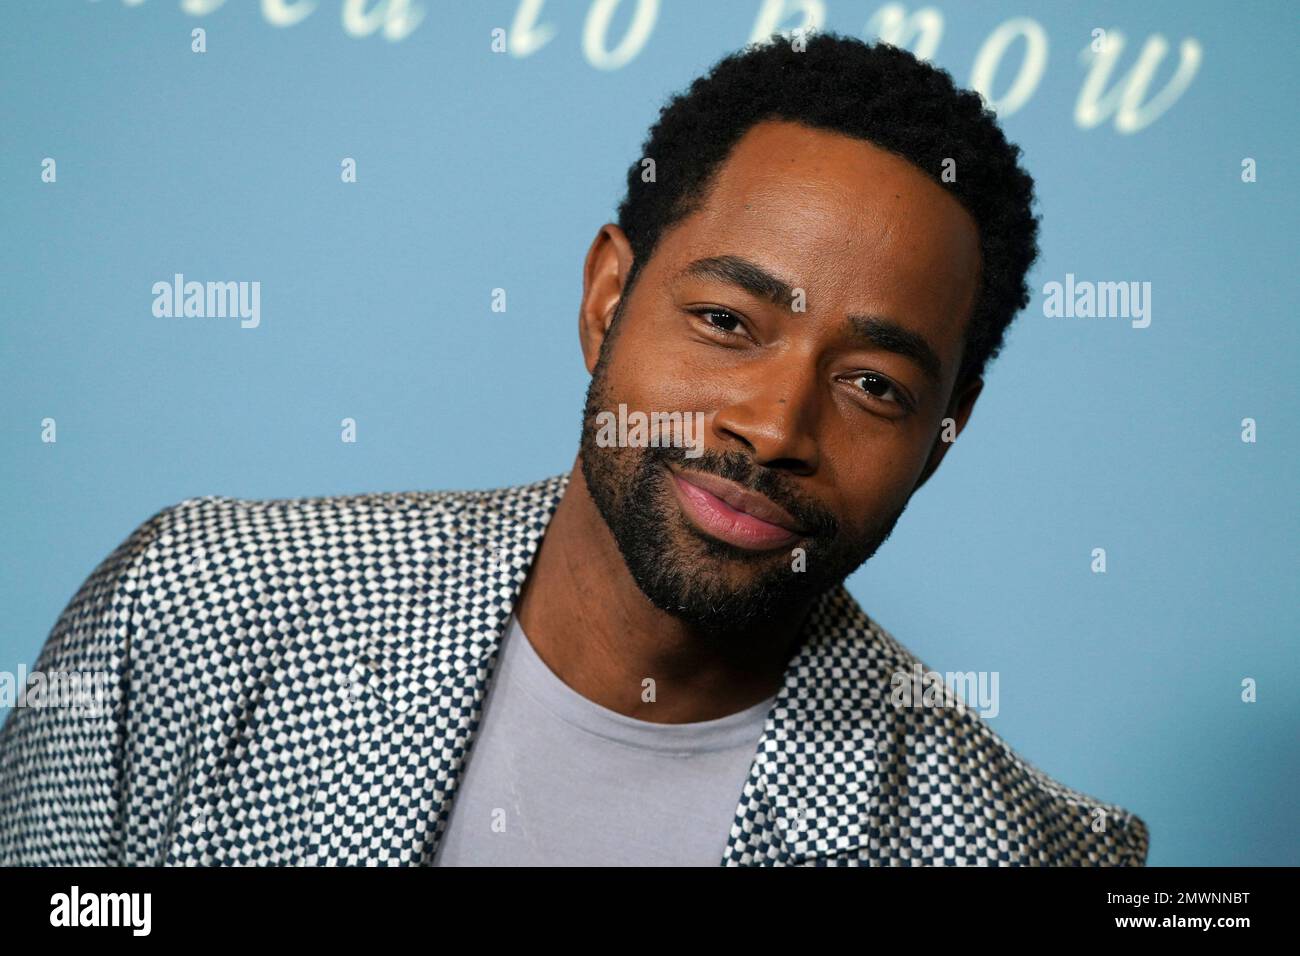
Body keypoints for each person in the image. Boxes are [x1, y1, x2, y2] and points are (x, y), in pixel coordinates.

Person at [0, 31, 1148, 866]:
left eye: (871, 385)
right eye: (726, 322)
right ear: (607, 297)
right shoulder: (199, 605)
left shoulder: (1025, 849)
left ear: (946, 434)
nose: (772, 427)